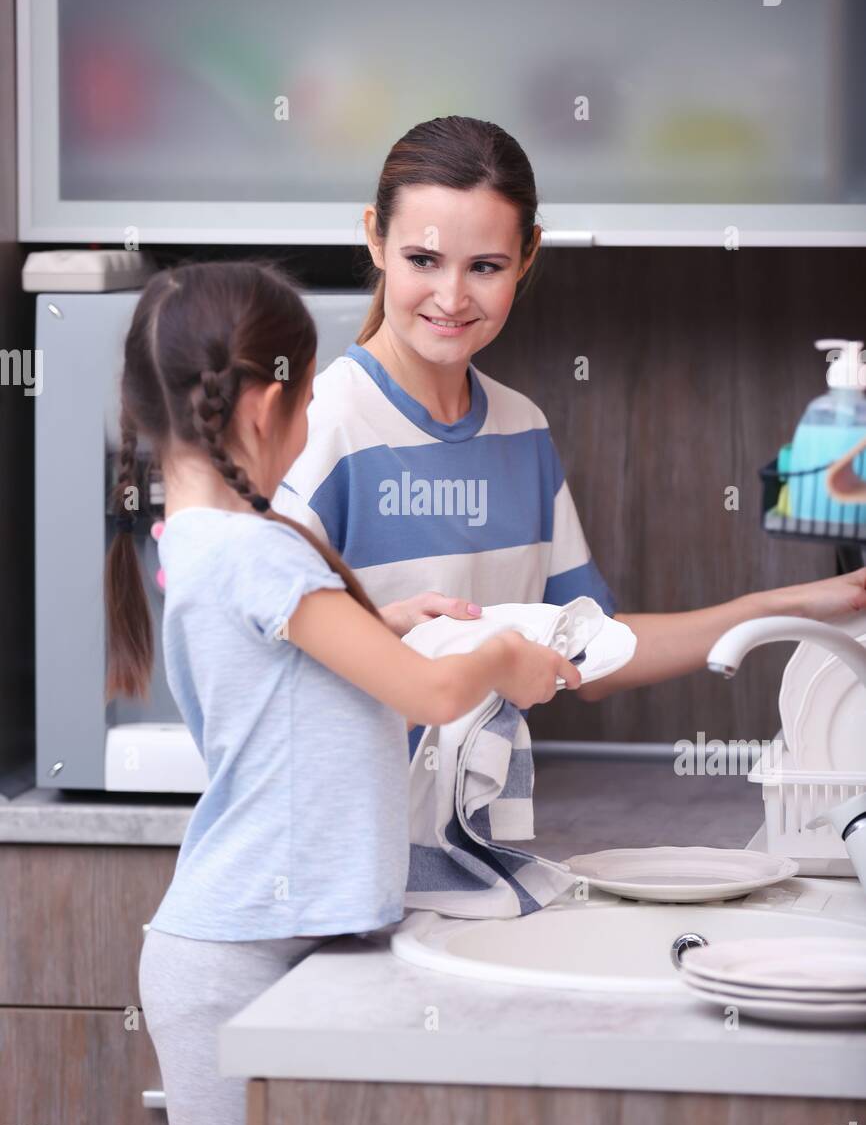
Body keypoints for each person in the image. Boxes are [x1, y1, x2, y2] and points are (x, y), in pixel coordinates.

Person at [108, 259, 579, 1125]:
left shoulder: (207, 538)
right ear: (261, 407)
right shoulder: (259, 553)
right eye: (309, 389)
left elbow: (285, 676)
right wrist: (509, 657)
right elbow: (438, 693)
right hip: (239, 955)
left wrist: (385, 624)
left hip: (253, 941)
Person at [274, 114, 866, 754]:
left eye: (485, 267)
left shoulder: (523, 431)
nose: (451, 297)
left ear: (527, 255)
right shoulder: (319, 427)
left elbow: (592, 653)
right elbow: (264, 658)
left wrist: (797, 607)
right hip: (350, 835)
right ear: (374, 238)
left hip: (477, 834)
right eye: (424, 259)